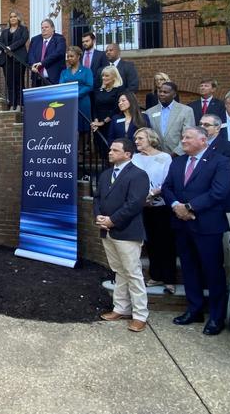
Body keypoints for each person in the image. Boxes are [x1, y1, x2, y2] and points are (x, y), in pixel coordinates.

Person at [161, 126, 230, 335]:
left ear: (203, 140)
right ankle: (194, 309)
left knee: (213, 271)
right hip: (182, 224)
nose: (183, 141)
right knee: (189, 268)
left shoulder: (220, 162)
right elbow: (167, 188)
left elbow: (219, 191)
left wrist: (190, 207)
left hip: (207, 225)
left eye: (188, 137)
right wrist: (176, 205)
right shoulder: (178, 162)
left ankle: (216, 316)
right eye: (182, 137)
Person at [94, 138, 150, 332]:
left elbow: (134, 204)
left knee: (133, 273)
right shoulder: (105, 175)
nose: (110, 152)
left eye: (115, 150)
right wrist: (99, 216)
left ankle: (140, 315)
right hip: (107, 231)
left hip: (126, 231)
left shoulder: (138, 175)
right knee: (119, 270)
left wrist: (113, 220)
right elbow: (98, 198)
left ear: (127, 154)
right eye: (110, 149)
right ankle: (121, 308)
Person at [132, 128, 175, 293]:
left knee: (165, 242)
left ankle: (169, 279)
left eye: (140, 138)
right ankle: (156, 276)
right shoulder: (135, 158)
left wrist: (150, 194)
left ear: (151, 139)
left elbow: (167, 181)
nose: (137, 142)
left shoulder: (164, 158)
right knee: (150, 242)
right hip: (141, 207)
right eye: (136, 139)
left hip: (161, 205)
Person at [200, 113, 230, 280]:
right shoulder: (195, 147)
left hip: (225, 206)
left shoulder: (229, 147)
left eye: (207, 125)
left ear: (218, 128)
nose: (202, 127)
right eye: (200, 123)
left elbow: (226, 177)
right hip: (201, 207)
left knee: (229, 249)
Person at [144, 80, 194, 156]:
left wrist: (176, 153)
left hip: (178, 155)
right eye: (160, 92)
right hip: (156, 155)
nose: (161, 94)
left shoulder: (186, 111)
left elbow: (189, 135)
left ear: (174, 95)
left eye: (165, 92)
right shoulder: (150, 112)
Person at [58, 46, 93, 135]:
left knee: (83, 128)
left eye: (72, 56)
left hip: (83, 102)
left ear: (78, 56)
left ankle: (84, 147)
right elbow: (61, 86)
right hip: (69, 102)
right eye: (68, 56)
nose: (69, 58)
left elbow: (89, 85)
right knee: (70, 127)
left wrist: (76, 94)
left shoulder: (86, 71)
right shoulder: (64, 72)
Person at [0, 11, 29, 110]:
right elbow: (0, 43)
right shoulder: (4, 32)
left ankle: (20, 104)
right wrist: (5, 49)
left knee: (19, 82)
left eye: (15, 16)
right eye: (11, 17)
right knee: (9, 83)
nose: (13, 18)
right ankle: (12, 104)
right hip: (7, 60)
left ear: (19, 18)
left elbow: (23, 40)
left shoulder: (23, 29)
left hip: (18, 59)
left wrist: (10, 48)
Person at [27, 19, 66, 87]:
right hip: (37, 78)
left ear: (53, 28)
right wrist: (33, 65)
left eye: (46, 27)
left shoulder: (59, 39)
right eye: (42, 28)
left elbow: (59, 53)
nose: (43, 29)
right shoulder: (35, 39)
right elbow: (30, 55)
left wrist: (42, 63)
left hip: (54, 78)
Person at [91, 65, 125, 135]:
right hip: (99, 125)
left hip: (113, 123)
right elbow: (94, 106)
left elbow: (117, 109)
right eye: (103, 75)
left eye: (107, 76)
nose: (103, 78)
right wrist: (96, 120)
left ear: (114, 77)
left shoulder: (119, 90)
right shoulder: (98, 90)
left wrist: (103, 122)